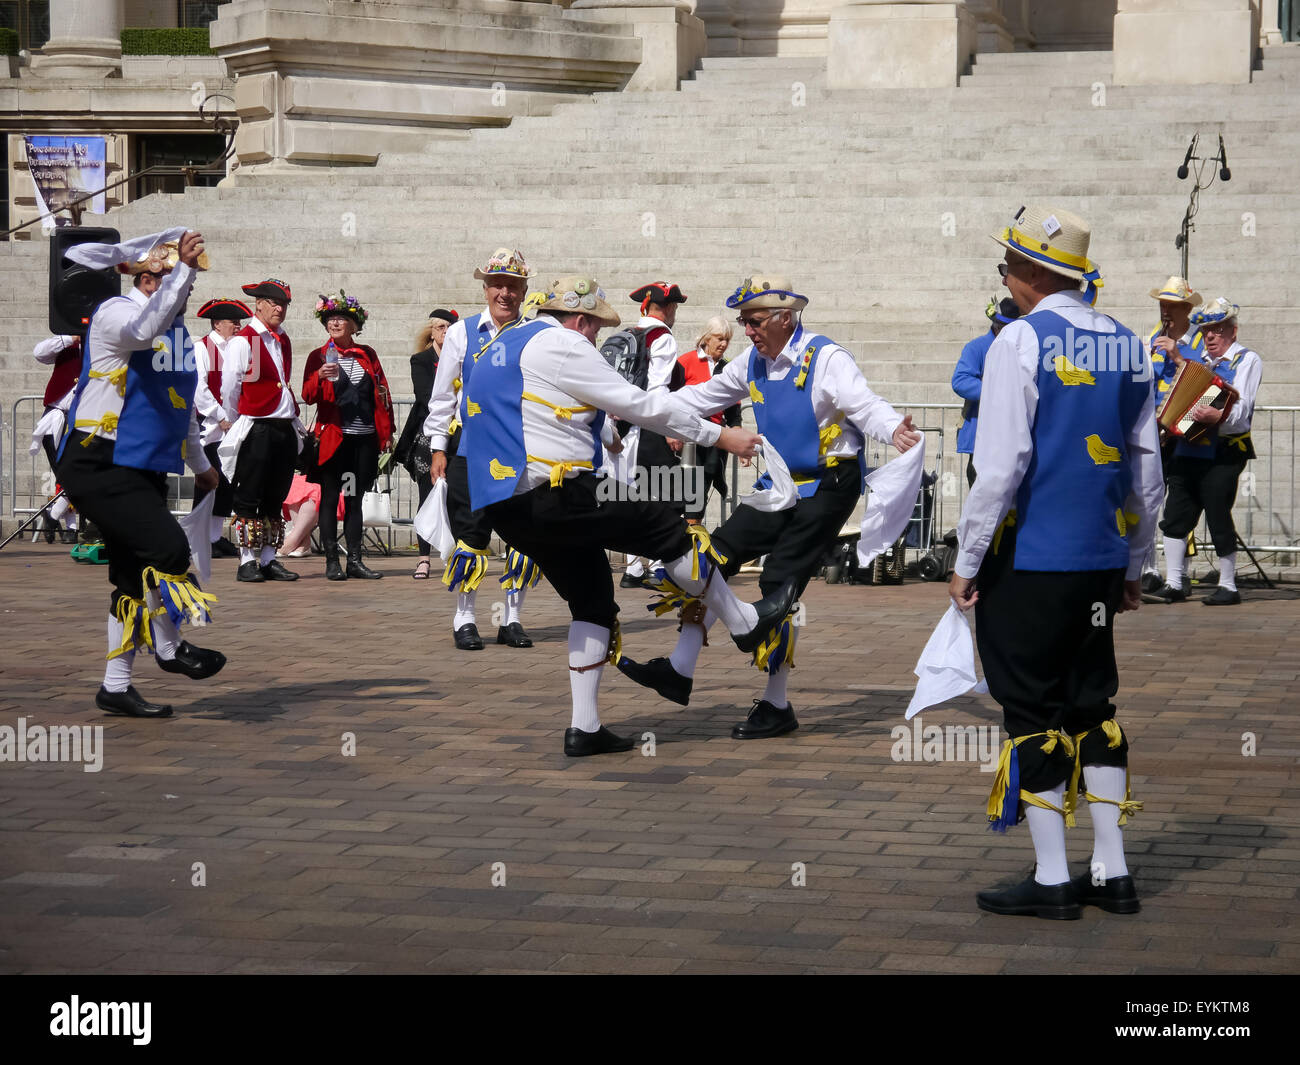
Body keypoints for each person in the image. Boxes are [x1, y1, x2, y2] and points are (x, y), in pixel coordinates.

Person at [455, 275, 797, 756]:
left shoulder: (507, 339)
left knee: (593, 599)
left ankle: (585, 728)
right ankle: (742, 622)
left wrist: (608, 438)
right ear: (579, 319)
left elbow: (543, 410)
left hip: (503, 502)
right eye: (594, 327)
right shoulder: (565, 343)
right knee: (668, 528)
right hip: (552, 491)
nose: (595, 337)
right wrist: (720, 437)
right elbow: (637, 403)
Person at [949, 205, 1162, 919]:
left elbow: (1001, 462)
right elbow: (1147, 472)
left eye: (1008, 266)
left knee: (1032, 707)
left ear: (1033, 274)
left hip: (1034, 557)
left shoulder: (1020, 340)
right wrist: (1134, 561)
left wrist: (967, 557)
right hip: (1099, 558)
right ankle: (1113, 868)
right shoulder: (1131, 345)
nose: (1004, 278)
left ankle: (1050, 878)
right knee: (1092, 704)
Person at [617, 275, 921, 741]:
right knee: (707, 559)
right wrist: (638, 406)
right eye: (742, 322)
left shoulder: (826, 357)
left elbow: (864, 404)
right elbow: (700, 397)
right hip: (780, 479)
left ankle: (776, 703)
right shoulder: (751, 362)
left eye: (754, 321)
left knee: (780, 583)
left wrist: (893, 430)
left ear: (785, 317)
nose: (747, 331)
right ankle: (679, 669)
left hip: (828, 482)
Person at [54, 228, 227, 718]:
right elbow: (141, 333)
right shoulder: (117, 313)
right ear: (152, 281)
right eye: (181, 284)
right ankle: (171, 649)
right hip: (98, 459)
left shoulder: (175, 333)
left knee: (132, 575)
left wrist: (200, 465)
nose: (188, 295)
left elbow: (181, 406)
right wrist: (184, 270)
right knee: (168, 549)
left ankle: (116, 685)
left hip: (145, 462)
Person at [422, 248, 542, 650]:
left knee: (524, 540)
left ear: (524, 290)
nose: (504, 293)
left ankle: (512, 619)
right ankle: (465, 618)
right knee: (470, 536)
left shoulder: (536, 334)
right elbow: (441, 398)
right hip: (472, 449)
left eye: (513, 285)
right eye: (497, 285)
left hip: (522, 451)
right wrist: (438, 447)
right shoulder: (461, 332)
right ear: (485, 288)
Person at [1152, 297, 1262, 606]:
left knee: (1217, 513)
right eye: (1207, 331)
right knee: (1175, 515)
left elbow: (1242, 408)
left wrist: (1220, 416)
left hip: (1224, 450)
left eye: (1216, 330)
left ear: (1232, 332)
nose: (1210, 336)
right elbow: (1184, 400)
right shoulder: (1200, 362)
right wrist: (1170, 424)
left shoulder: (1245, 360)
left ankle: (1228, 585)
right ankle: (1174, 583)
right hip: (1189, 448)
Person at [301, 291, 395, 581]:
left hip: (361, 441)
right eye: (330, 318)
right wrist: (319, 376)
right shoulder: (318, 356)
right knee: (330, 498)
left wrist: (386, 431)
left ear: (354, 325)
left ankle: (354, 560)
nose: (335, 323)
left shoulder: (367, 354)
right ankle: (332, 561)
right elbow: (307, 395)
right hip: (333, 441)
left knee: (354, 498)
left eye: (341, 318)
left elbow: (382, 393)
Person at [219, 277, 302, 583]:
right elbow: (231, 384)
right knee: (250, 492)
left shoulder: (282, 339)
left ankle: (268, 558)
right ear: (260, 305)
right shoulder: (245, 340)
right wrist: (233, 417)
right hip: (257, 425)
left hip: (282, 424)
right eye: (275, 303)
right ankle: (246, 560)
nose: (280, 309)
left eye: (284, 304)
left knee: (275, 493)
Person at [1138, 276, 1203, 593]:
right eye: (1162, 304)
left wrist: (1178, 356)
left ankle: (1179, 574)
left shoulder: (1200, 339)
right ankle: (1149, 569)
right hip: (1154, 430)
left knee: (1181, 503)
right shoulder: (1153, 335)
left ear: (1187, 309)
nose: (1165, 311)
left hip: (1183, 433)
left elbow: (1205, 385)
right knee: (1147, 498)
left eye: (1172, 306)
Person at [620, 281, 688, 587]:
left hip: (623, 430)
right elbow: (658, 388)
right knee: (673, 497)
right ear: (669, 307)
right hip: (648, 426)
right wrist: (669, 429)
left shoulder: (626, 335)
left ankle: (634, 568)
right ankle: (663, 566)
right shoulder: (662, 337)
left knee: (632, 495)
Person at [394, 308, 458, 579]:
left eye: (449, 327)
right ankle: (423, 559)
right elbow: (426, 396)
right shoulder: (421, 360)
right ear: (432, 331)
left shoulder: (460, 359)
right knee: (426, 494)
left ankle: (455, 555)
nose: (445, 331)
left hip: (456, 434)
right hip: (426, 435)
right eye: (440, 327)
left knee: (455, 496)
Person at [192, 297, 252, 558]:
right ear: (217, 324)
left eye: (239, 321)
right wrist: (220, 416)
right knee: (207, 480)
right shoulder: (201, 348)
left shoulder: (241, 348)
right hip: (210, 426)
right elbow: (199, 388)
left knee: (228, 482)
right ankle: (198, 537)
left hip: (236, 425)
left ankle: (215, 537)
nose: (238, 326)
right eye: (233, 322)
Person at [677, 315, 743, 523]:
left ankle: (694, 534)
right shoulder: (685, 362)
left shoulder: (727, 367)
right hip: (687, 436)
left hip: (713, 438)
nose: (723, 344)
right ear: (706, 338)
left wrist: (737, 433)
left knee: (702, 487)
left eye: (727, 340)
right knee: (688, 489)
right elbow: (670, 399)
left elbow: (733, 409)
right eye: (719, 338)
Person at [952, 296, 1021, 488]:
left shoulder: (1021, 348)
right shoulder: (977, 347)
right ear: (997, 325)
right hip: (983, 437)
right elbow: (961, 381)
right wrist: (999, 390)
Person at [30, 332, 83, 542]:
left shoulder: (102, 346)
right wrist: (70, 339)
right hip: (56, 418)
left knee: (78, 473)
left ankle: (54, 517)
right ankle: (69, 527)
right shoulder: (67, 344)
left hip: (84, 420)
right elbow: (39, 353)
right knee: (66, 475)